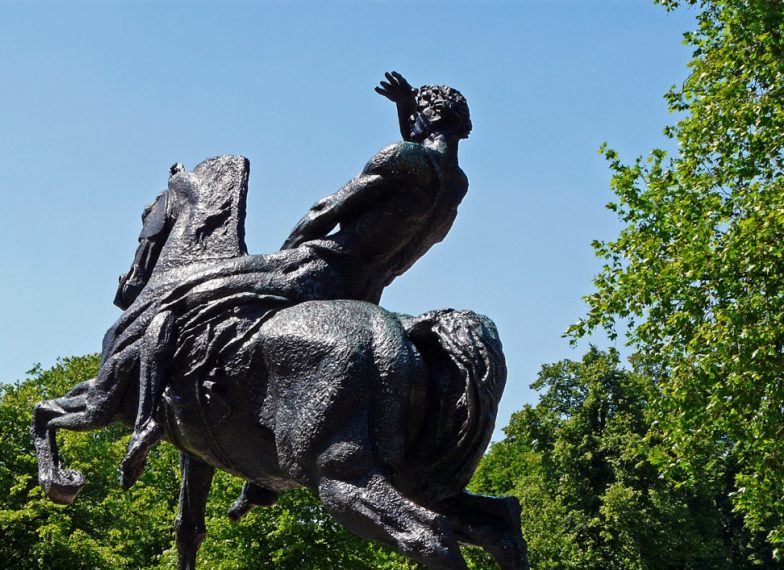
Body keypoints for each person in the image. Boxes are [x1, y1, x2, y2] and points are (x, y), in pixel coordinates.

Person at [44, 72, 473, 491]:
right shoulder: (454, 185)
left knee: (181, 302)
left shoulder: (402, 158)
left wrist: (285, 254)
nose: (411, 123)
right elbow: (421, 156)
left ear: (430, 115)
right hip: (365, 290)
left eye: (417, 114)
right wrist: (405, 108)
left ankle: (147, 417)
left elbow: (327, 209)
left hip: (318, 270)